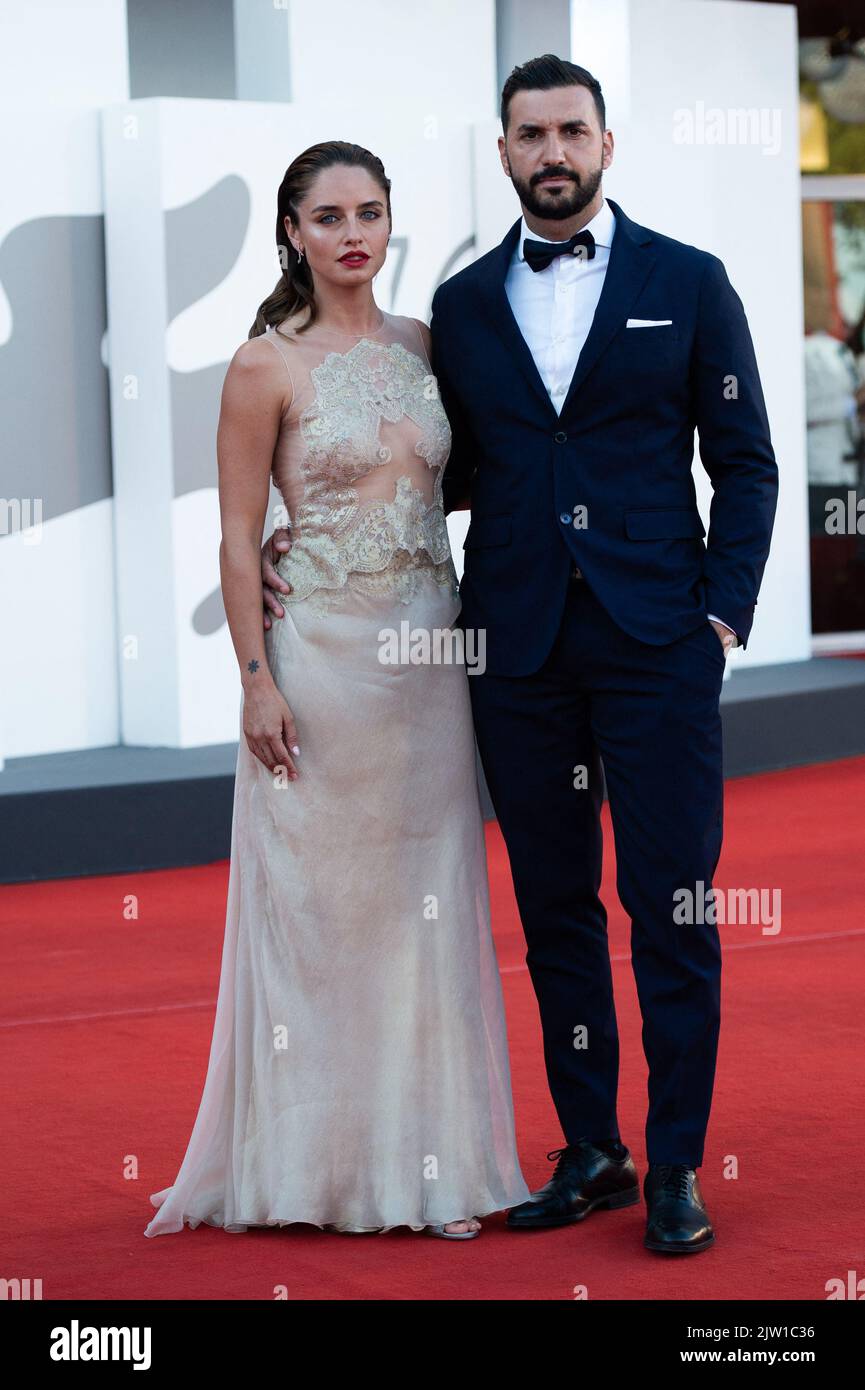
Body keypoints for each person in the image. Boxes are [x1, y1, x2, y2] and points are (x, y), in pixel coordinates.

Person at [262, 55, 779, 1256]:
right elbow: (429, 462)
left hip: (658, 646)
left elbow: (746, 460)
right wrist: (306, 523)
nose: (551, 151)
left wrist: (721, 613)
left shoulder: (689, 283)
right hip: (517, 652)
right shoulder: (468, 305)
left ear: (605, 144)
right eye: (529, 134)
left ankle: (677, 1161)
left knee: (672, 907)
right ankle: (593, 1146)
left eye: (570, 131)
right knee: (553, 907)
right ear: (501, 151)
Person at [144, 141, 531, 1242]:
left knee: (428, 906)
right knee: (322, 912)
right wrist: (253, 679)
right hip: (319, 664)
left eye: (369, 212)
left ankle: (429, 1167)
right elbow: (229, 531)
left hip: (428, 665)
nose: (352, 233)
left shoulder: (423, 345)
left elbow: (442, 482)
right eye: (328, 216)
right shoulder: (262, 364)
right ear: (292, 232)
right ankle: (311, 1171)